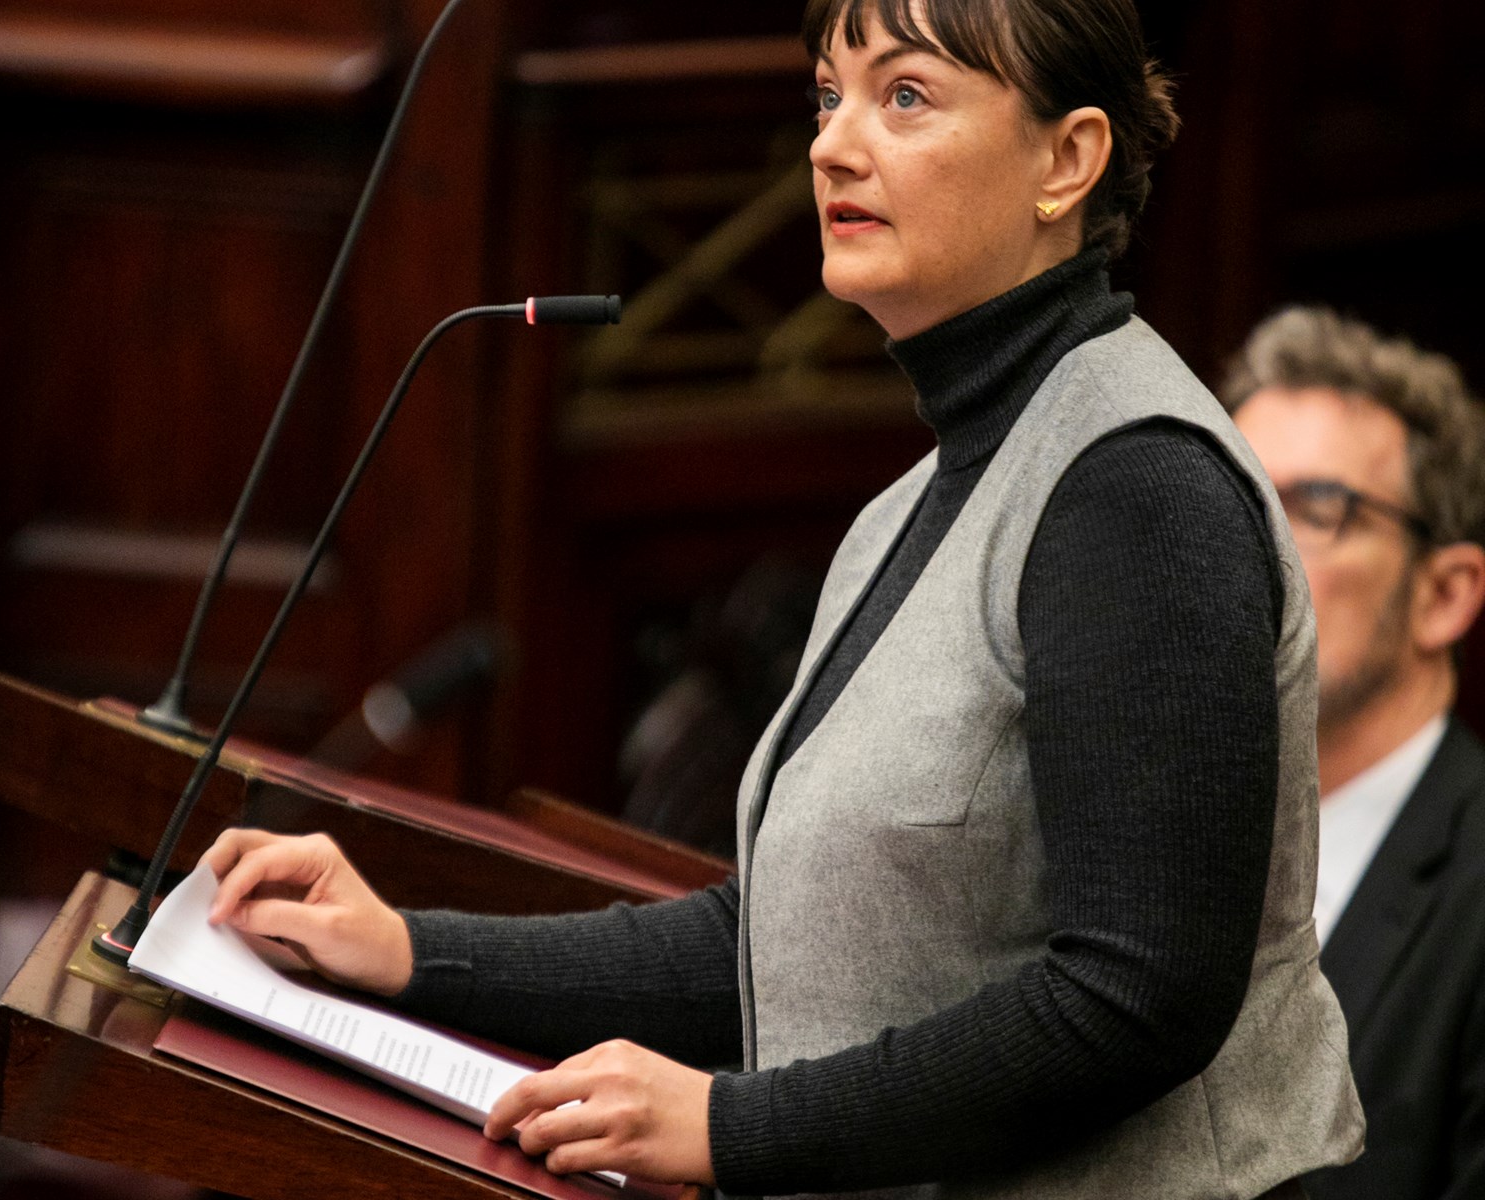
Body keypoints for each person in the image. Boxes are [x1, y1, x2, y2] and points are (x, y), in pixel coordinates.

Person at [199, 1, 1364, 1196]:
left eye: (903, 96)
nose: (830, 144)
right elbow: (780, 947)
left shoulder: (1137, 488)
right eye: (826, 95)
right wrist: (404, 952)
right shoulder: (914, 504)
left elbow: (1140, 993)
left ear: (1066, 160)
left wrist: (731, 1127)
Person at [1223, 307, 1485, 1200]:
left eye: (1317, 507)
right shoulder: (1161, 855)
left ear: (1444, 595)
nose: (1250, 544)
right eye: (1236, 497)